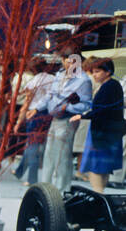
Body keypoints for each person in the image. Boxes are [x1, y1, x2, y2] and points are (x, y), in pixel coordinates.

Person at [29, 49, 92, 192]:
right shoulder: (59, 75)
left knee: (62, 155)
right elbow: (49, 95)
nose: (67, 63)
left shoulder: (84, 80)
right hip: (54, 117)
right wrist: (37, 108)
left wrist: (67, 107)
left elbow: (86, 104)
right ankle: (45, 189)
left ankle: (61, 190)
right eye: (65, 60)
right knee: (49, 154)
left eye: (71, 60)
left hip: (68, 119)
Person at [69, 58, 124, 194]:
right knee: (104, 167)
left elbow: (102, 110)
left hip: (102, 132)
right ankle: (100, 193)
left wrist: (83, 116)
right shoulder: (113, 85)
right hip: (110, 131)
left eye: (97, 71)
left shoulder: (108, 87)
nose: (94, 75)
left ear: (108, 72)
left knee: (95, 166)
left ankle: (99, 194)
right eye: (93, 72)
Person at [16, 57, 55, 184]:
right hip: (48, 114)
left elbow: (27, 101)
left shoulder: (33, 82)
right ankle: (20, 171)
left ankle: (31, 178)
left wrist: (19, 121)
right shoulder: (53, 79)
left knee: (32, 145)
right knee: (36, 144)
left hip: (33, 113)